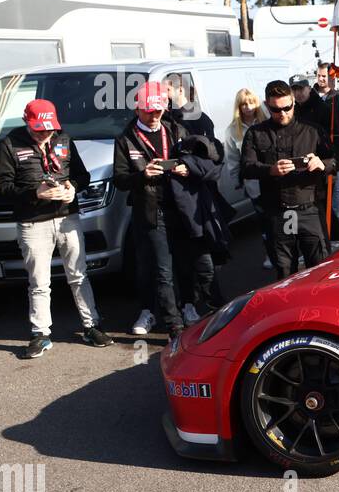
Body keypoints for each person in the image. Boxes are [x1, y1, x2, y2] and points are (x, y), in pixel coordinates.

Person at [0, 99, 113, 358]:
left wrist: (72, 188)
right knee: (39, 281)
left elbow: (82, 175)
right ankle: (40, 333)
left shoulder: (64, 139)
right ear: (27, 122)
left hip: (67, 217)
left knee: (79, 274)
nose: (45, 133)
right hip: (32, 222)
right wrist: (35, 192)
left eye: (49, 129)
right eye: (39, 129)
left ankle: (92, 325)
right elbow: (2, 188)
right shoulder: (8, 145)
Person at [114, 81, 192, 337]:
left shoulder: (175, 129)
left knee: (182, 261)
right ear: (137, 109)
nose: (154, 116)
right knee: (160, 267)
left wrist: (185, 167)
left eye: (158, 110)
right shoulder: (125, 139)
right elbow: (120, 180)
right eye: (149, 111)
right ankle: (173, 325)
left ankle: (187, 306)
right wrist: (143, 175)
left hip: (178, 206)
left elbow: (194, 159)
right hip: (149, 209)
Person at [240, 79, 337, 279]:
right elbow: (246, 168)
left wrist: (322, 164)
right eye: (276, 110)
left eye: (287, 107)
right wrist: (270, 170)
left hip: (309, 209)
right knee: (286, 273)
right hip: (279, 212)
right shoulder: (256, 133)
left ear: (293, 102)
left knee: (320, 270)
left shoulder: (312, 130)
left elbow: (337, 160)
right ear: (267, 105)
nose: (283, 113)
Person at [165, 73, 223, 320]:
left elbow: (211, 158)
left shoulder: (199, 119)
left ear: (179, 90)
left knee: (202, 256)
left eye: (166, 89)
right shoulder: (167, 119)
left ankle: (214, 305)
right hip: (175, 200)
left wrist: (188, 166)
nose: (163, 96)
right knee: (181, 258)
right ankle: (190, 302)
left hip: (198, 198)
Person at [224, 88, 272, 270]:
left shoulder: (267, 122)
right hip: (254, 185)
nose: (248, 107)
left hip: (274, 180)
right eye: (244, 103)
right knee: (264, 222)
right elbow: (232, 159)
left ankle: (290, 251)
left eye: (251, 102)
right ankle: (270, 253)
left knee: (282, 219)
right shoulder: (232, 131)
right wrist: (238, 181)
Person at [305, 63, 339, 248]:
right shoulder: (311, 97)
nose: (322, 78)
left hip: (334, 153)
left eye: (325, 75)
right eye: (319, 75)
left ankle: (334, 232)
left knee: (335, 192)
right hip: (315, 151)